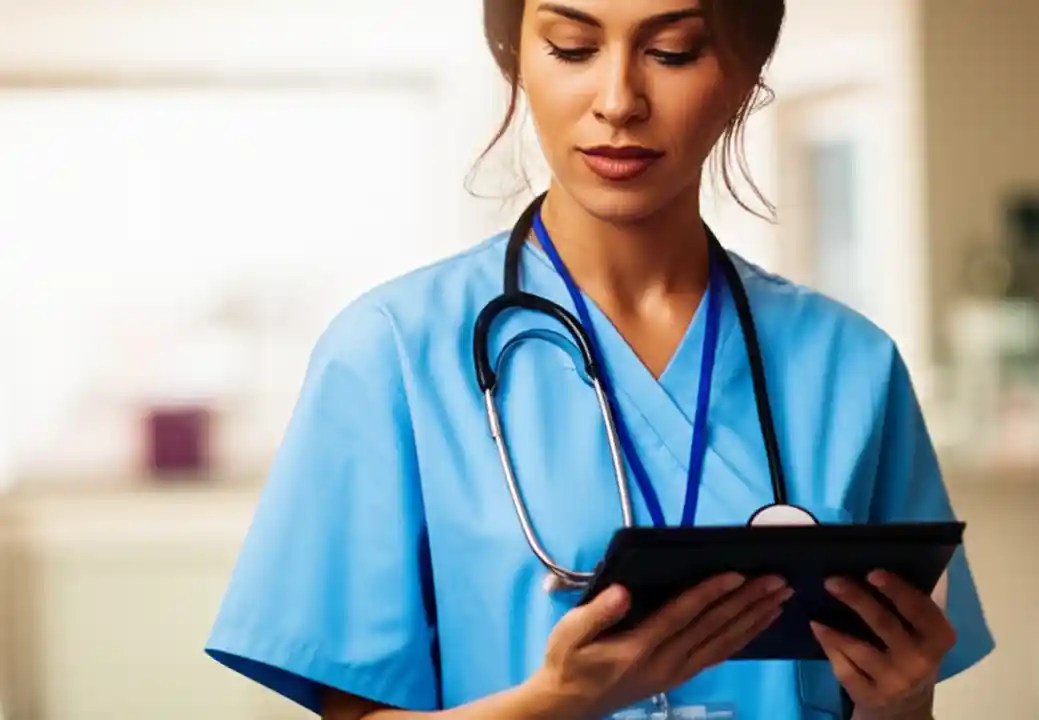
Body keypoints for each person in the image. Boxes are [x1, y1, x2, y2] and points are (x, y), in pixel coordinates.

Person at [204, 1, 994, 718]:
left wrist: (902, 698)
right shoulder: (390, 354)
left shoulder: (851, 367)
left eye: (675, 52)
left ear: (748, 71)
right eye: (573, 47)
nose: (618, 100)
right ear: (518, 57)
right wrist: (560, 702)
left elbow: (894, 700)